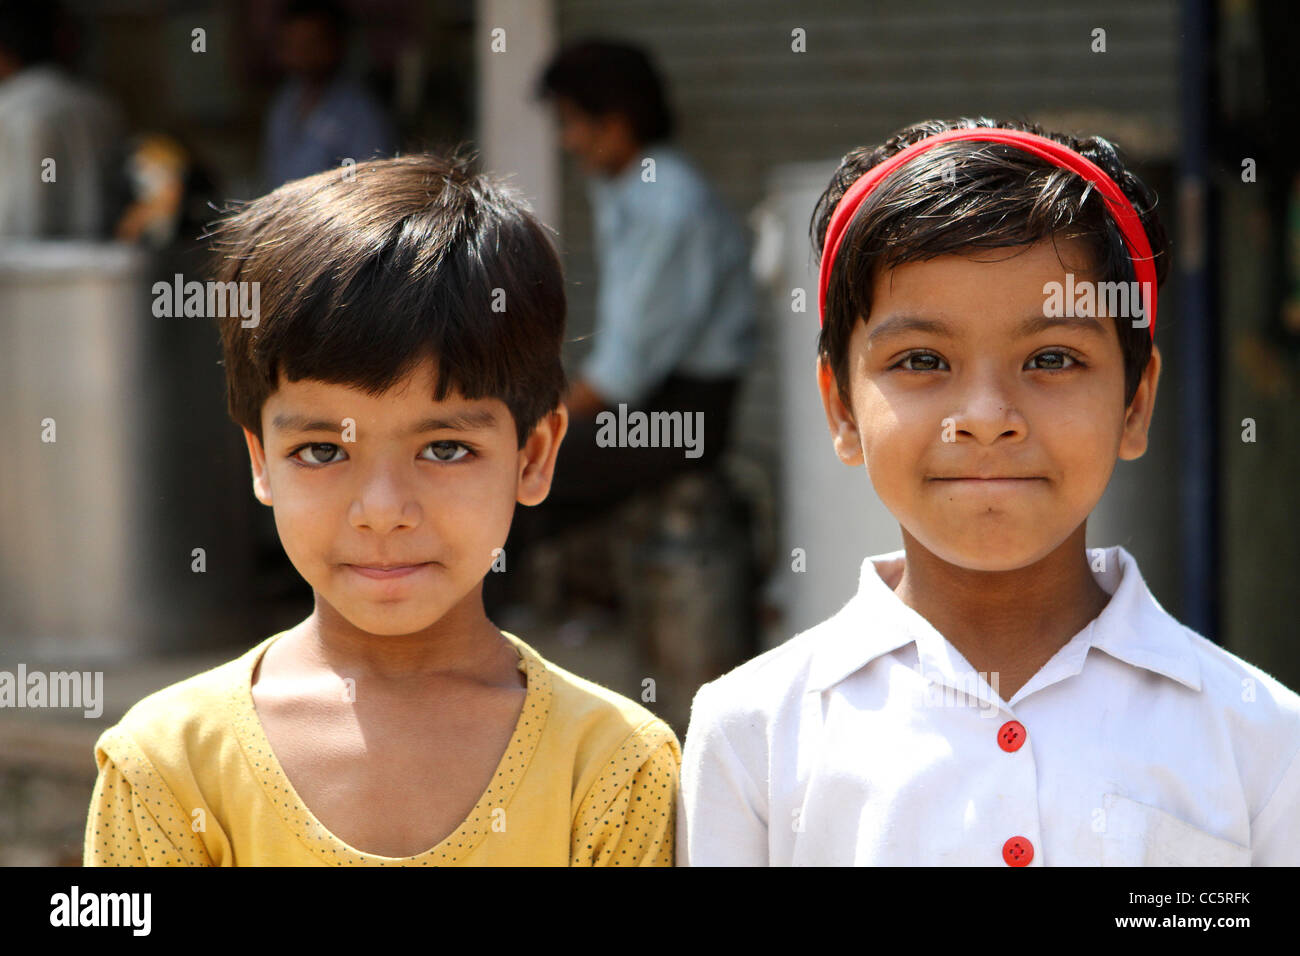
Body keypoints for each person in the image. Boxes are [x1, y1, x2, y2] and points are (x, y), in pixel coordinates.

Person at [677, 117, 1300, 866]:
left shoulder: (1259, 737)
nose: (985, 419)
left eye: (1052, 357)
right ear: (841, 409)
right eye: (920, 360)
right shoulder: (754, 735)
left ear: (1135, 405)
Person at [83, 152, 679, 866]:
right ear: (260, 460)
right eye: (324, 452)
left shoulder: (613, 769)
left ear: (534, 454)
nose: (383, 511)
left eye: (446, 449)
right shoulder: (168, 767)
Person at [493, 40, 755, 605]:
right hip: (653, 407)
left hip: (683, 421)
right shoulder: (633, 190)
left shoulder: (668, 205)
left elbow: (621, 374)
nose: (568, 141)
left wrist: (525, 423)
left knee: (504, 471)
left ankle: (465, 641)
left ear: (615, 123)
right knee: (504, 461)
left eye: (572, 123)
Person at [261, 0, 395, 190]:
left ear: (337, 43)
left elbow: (369, 186)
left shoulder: (361, 111)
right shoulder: (284, 100)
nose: (301, 55)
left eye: (311, 44)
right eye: (293, 45)